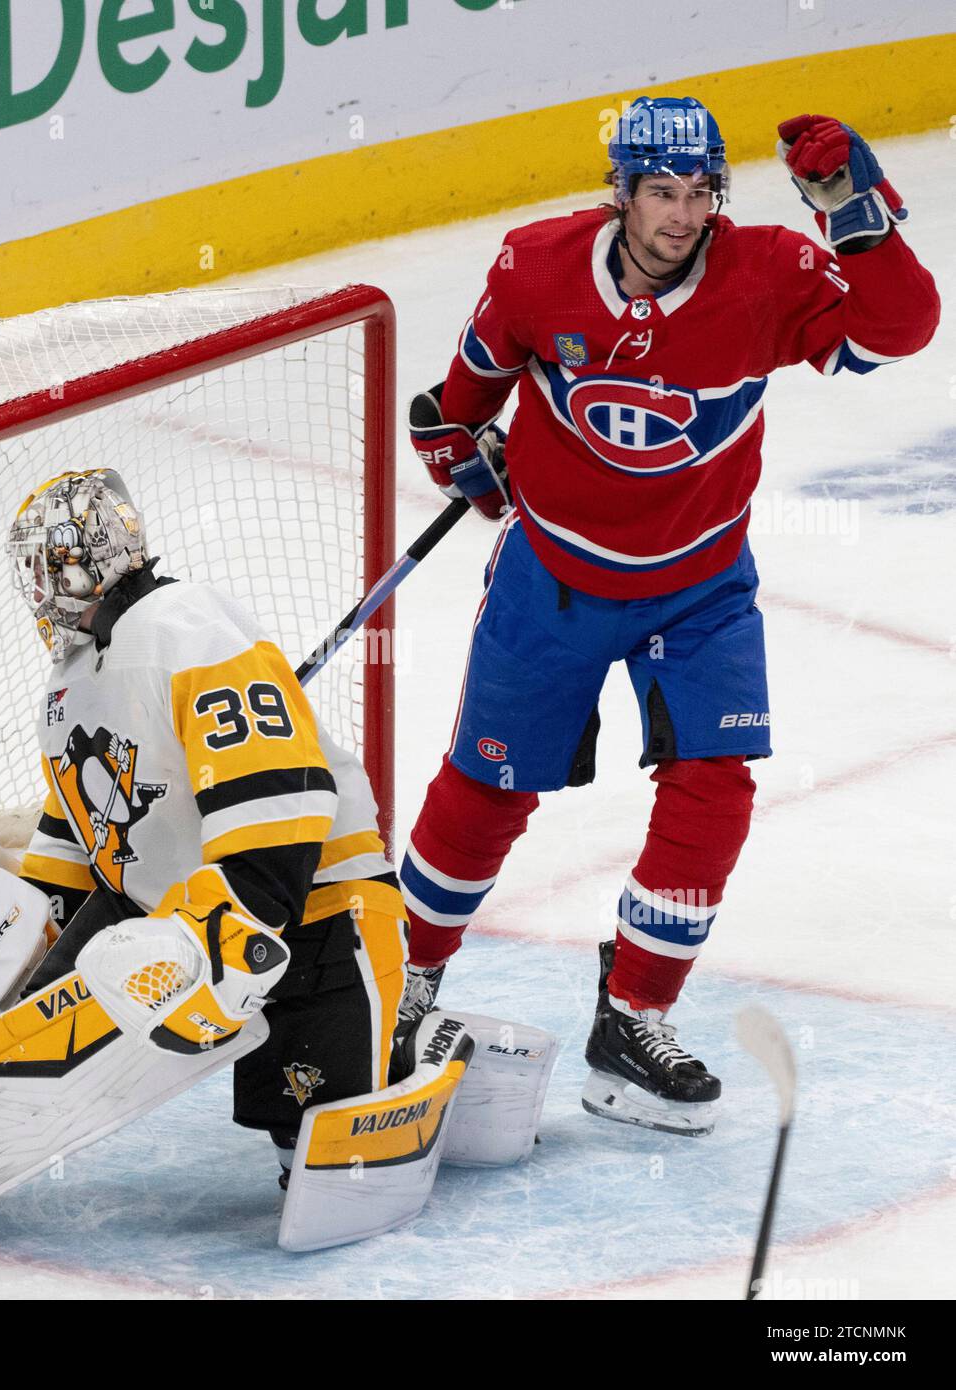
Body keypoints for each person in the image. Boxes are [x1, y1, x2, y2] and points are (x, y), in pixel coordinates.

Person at [397, 98, 940, 1136]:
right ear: (622, 192)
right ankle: (408, 979)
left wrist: (854, 209)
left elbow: (899, 329)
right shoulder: (532, 267)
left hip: (699, 585)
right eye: (661, 193)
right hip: (553, 578)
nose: (682, 217)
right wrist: (457, 454)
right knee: (487, 787)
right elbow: (463, 397)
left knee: (712, 790)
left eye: (699, 195)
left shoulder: (768, 273)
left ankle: (633, 1016)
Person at [8, 468, 410, 1170]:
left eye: (45, 566)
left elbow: (278, 819)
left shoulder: (185, 625)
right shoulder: (70, 685)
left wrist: (217, 938)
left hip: (315, 918)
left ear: (87, 560)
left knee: (324, 1158)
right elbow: (81, 834)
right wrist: (2, 972)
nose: (36, 588)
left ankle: (411, 1042)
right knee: (20, 1041)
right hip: (182, 925)